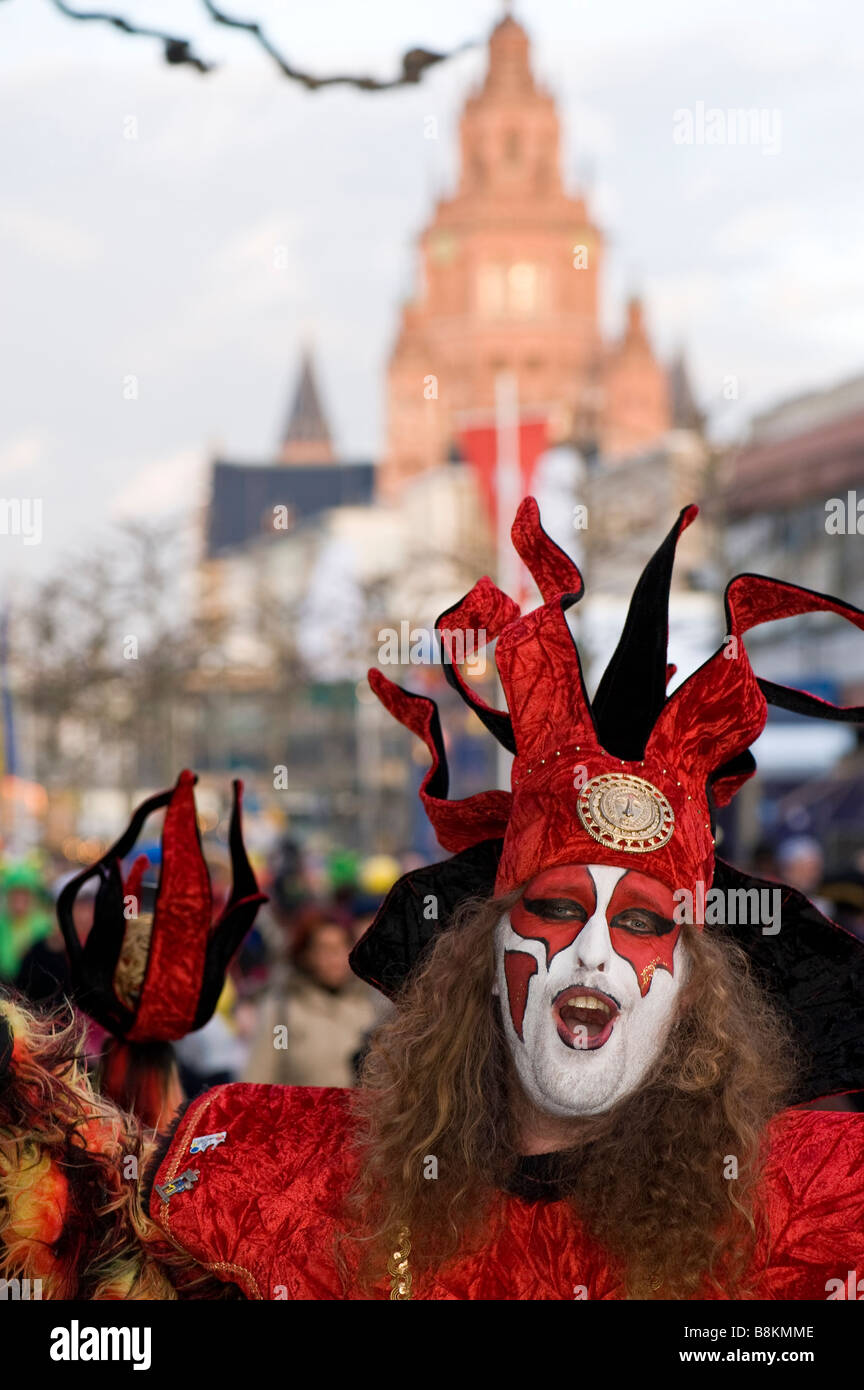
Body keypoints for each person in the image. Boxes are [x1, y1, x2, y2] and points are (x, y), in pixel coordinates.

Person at [1, 500, 864, 1301]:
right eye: (557, 908)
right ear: (480, 956)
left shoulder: (808, 1203)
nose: (592, 951)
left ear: (693, 991)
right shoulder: (277, 1175)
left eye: (641, 921)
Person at [243, 905, 379, 1088]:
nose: (336, 959)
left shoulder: (369, 1006)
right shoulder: (282, 1016)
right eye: (325, 950)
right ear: (306, 955)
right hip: (301, 1114)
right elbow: (261, 1076)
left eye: (342, 947)